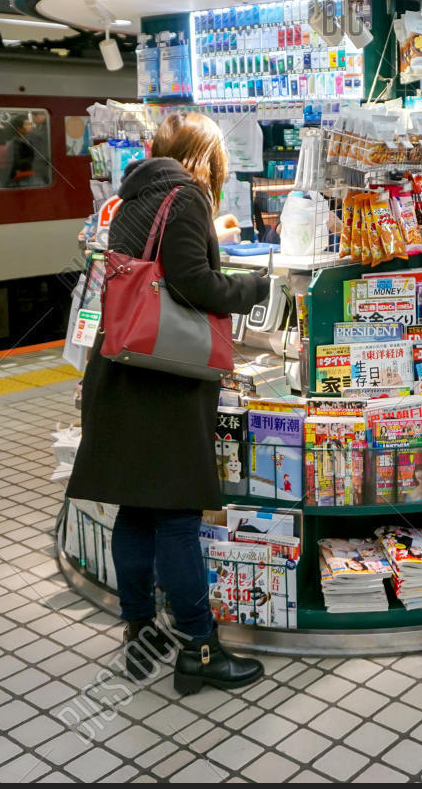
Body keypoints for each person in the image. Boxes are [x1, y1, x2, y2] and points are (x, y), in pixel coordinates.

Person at [67, 112, 270, 691]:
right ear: (204, 157)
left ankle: (137, 636)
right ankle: (200, 652)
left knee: (135, 510)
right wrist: (254, 286)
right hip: (163, 378)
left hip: (121, 368)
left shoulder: (135, 195)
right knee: (178, 519)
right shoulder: (185, 197)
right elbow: (192, 284)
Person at [5, 113, 41, 187]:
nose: (31, 126)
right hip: (20, 179)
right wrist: (35, 160)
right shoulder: (16, 143)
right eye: (27, 124)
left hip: (28, 175)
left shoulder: (30, 140)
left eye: (30, 124)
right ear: (19, 128)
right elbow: (17, 163)